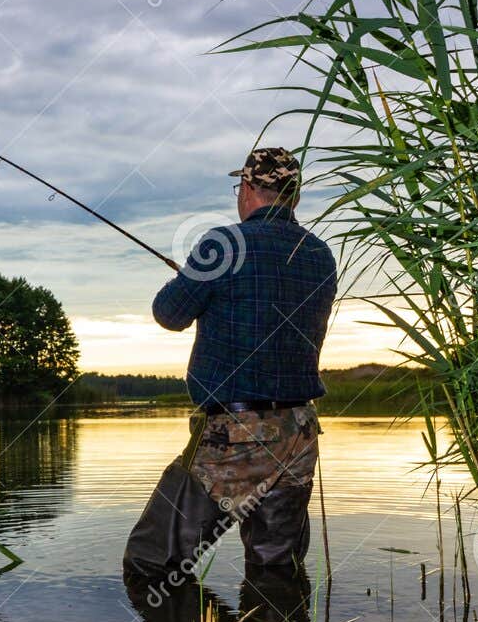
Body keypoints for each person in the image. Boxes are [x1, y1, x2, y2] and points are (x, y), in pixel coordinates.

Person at [123, 146, 337, 578]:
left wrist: (192, 276)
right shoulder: (319, 255)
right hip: (298, 434)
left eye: (239, 185)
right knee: (276, 568)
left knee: (149, 565)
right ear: (293, 197)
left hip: (233, 438)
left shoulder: (223, 244)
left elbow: (170, 313)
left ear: (247, 189)